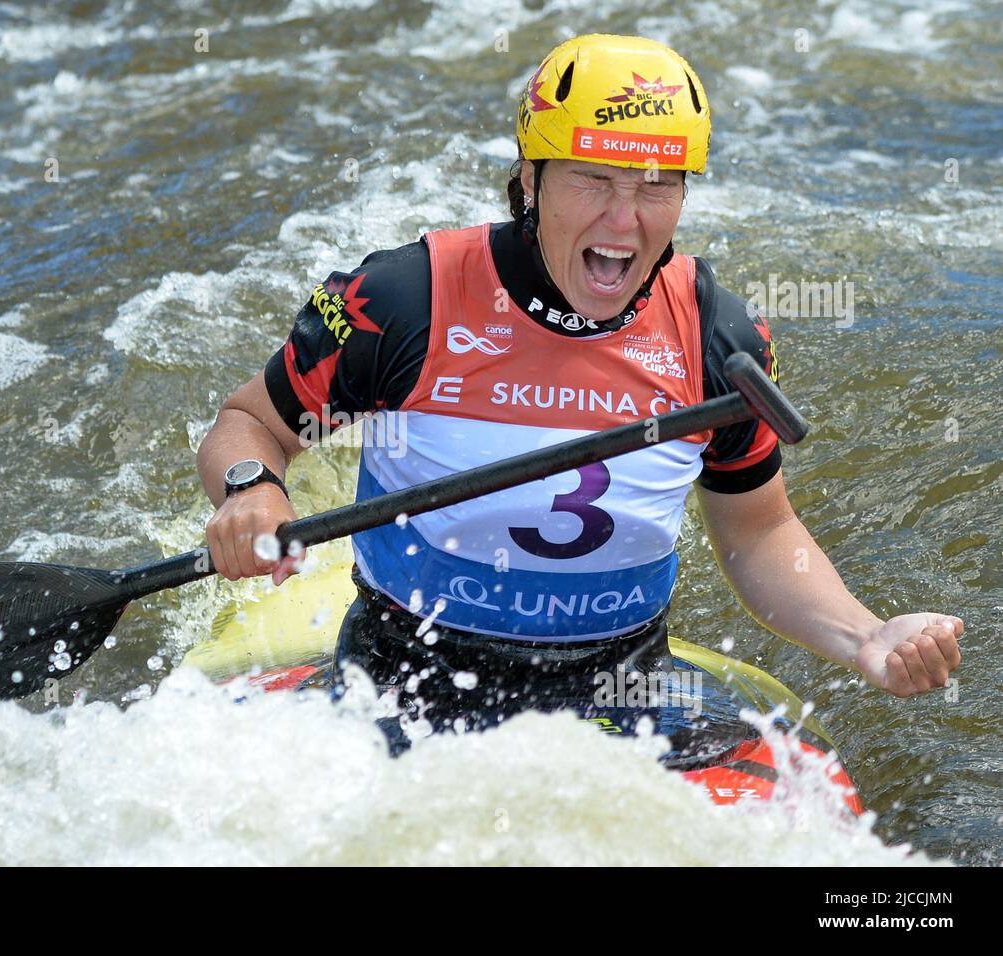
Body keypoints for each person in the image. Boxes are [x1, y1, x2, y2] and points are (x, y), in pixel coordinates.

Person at [195, 34, 962, 755]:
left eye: (656, 186)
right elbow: (249, 423)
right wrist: (250, 488)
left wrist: (865, 636)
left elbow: (760, 534)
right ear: (530, 181)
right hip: (403, 683)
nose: (624, 221)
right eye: (594, 181)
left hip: (622, 694)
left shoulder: (717, 336)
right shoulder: (403, 300)